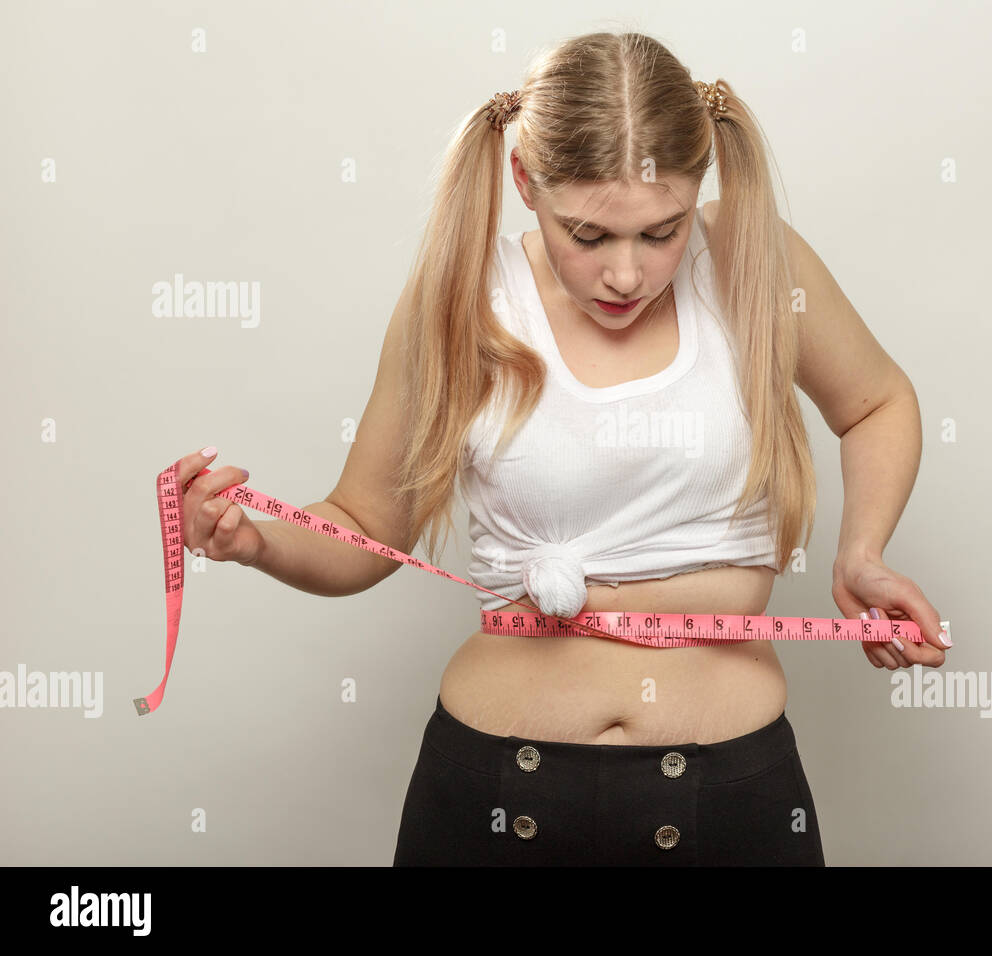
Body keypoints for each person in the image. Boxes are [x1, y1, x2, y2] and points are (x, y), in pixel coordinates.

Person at [176, 30, 948, 866]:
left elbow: (877, 402)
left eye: (662, 232)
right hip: (495, 794)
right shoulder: (461, 302)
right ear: (523, 183)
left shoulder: (753, 264)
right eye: (588, 235)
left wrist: (862, 551)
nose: (627, 275)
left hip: (730, 797)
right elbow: (365, 522)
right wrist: (256, 540)